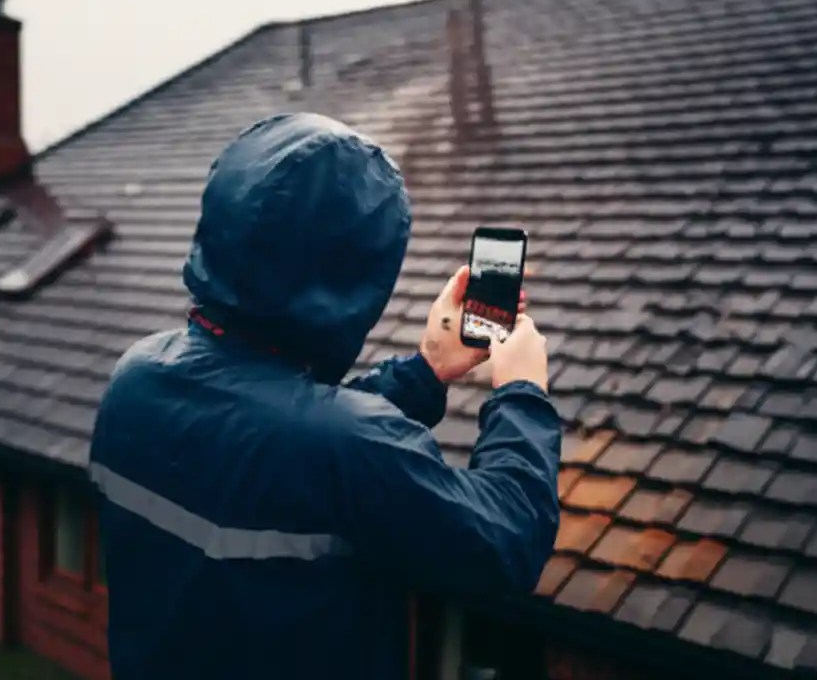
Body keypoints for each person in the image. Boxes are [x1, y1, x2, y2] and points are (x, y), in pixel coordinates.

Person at [90, 113, 561, 679]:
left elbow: (278, 449)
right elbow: (508, 540)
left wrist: (429, 369)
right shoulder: (347, 447)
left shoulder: (135, 378)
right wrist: (522, 390)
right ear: (356, 271)